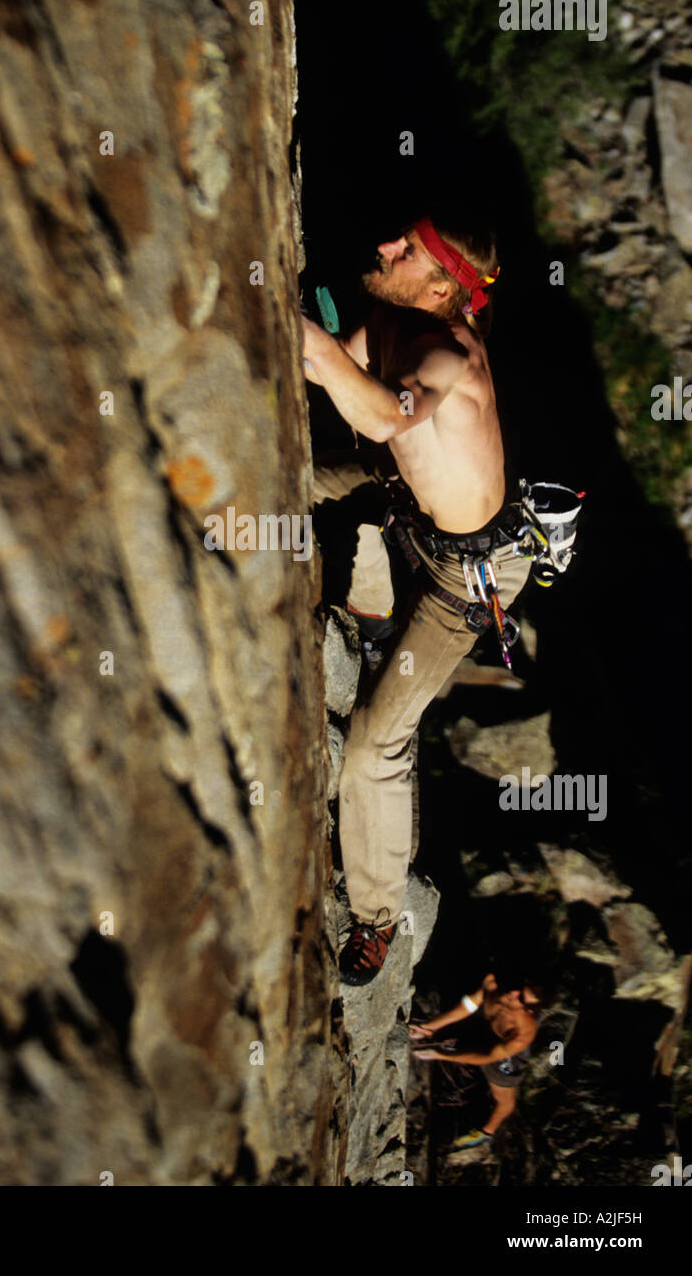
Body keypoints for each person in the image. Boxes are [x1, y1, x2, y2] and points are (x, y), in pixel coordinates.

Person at [303, 218, 532, 985]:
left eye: (406, 253)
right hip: (412, 509)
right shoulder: (399, 318)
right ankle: (367, 622)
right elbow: (354, 394)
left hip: (465, 581)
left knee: (374, 747)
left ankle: (374, 917)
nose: (383, 248)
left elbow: (384, 413)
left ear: (439, 288)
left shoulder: (447, 353)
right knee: (288, 484)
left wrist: (318, 347)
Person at [409, 971, 547, 1151]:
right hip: (491, 1030)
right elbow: (471, 1004)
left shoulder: (522, 1035)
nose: (513, 993)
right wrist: (428, 1028)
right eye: (520, 989)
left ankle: (486, 1133)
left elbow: (486, 1057)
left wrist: (441, 1054)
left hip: (504, 1054)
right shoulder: (497, 983)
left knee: (504, 1099)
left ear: (529, 1011)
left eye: (520, 997)